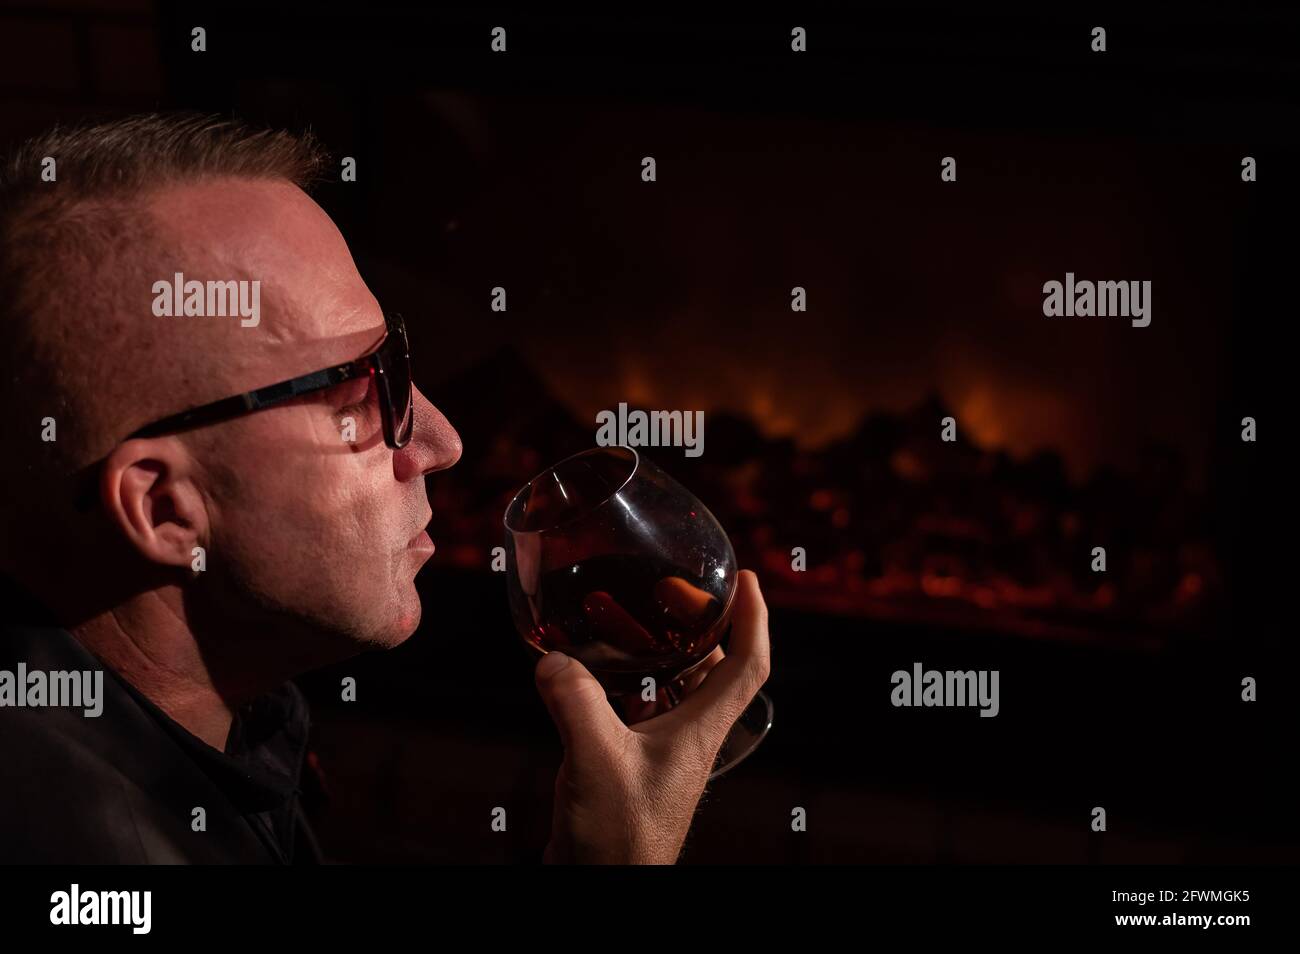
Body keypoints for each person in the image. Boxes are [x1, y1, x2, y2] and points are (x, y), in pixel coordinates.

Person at [0, 113, 772, 864]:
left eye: (394, 363)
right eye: (360, 393)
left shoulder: (225, 716)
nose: (442, 443)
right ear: (164, 507)